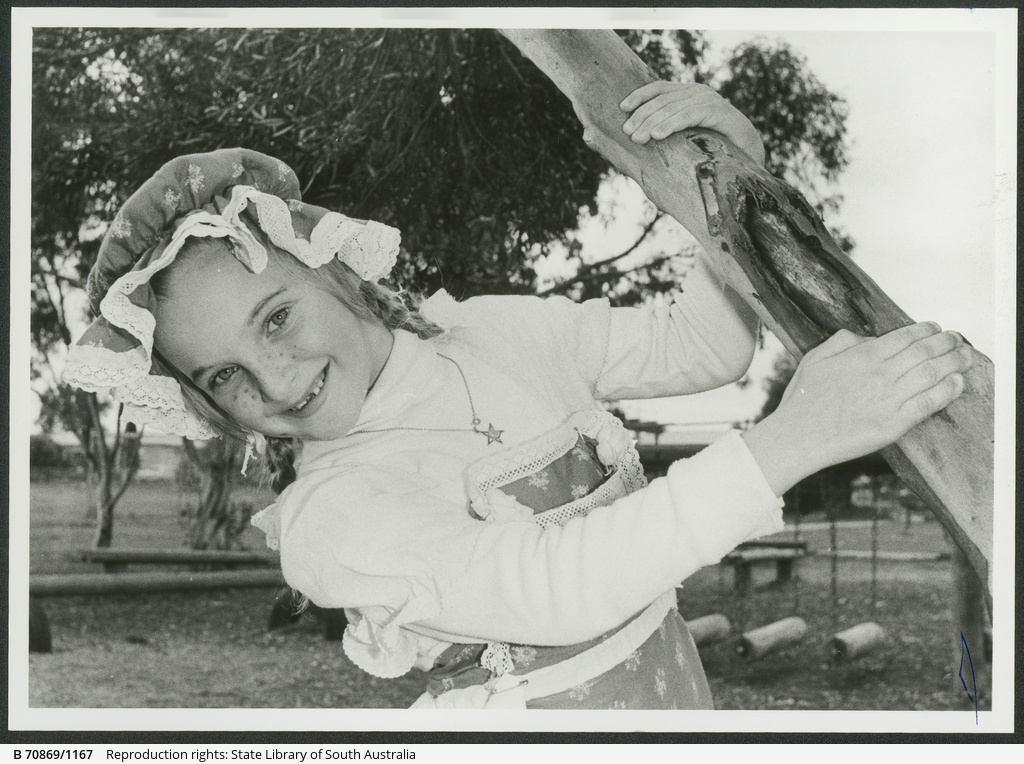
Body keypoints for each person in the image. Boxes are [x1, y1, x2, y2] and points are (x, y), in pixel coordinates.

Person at [62, 82, 972, 709]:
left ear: (330, 266)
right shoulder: (333, 517)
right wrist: (795, 438)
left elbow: (703, 345)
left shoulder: (492, 331)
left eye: (274, 319)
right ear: (200, 403)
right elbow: (557, 589)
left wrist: (732, 173)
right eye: (223, 377)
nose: (274, 380)